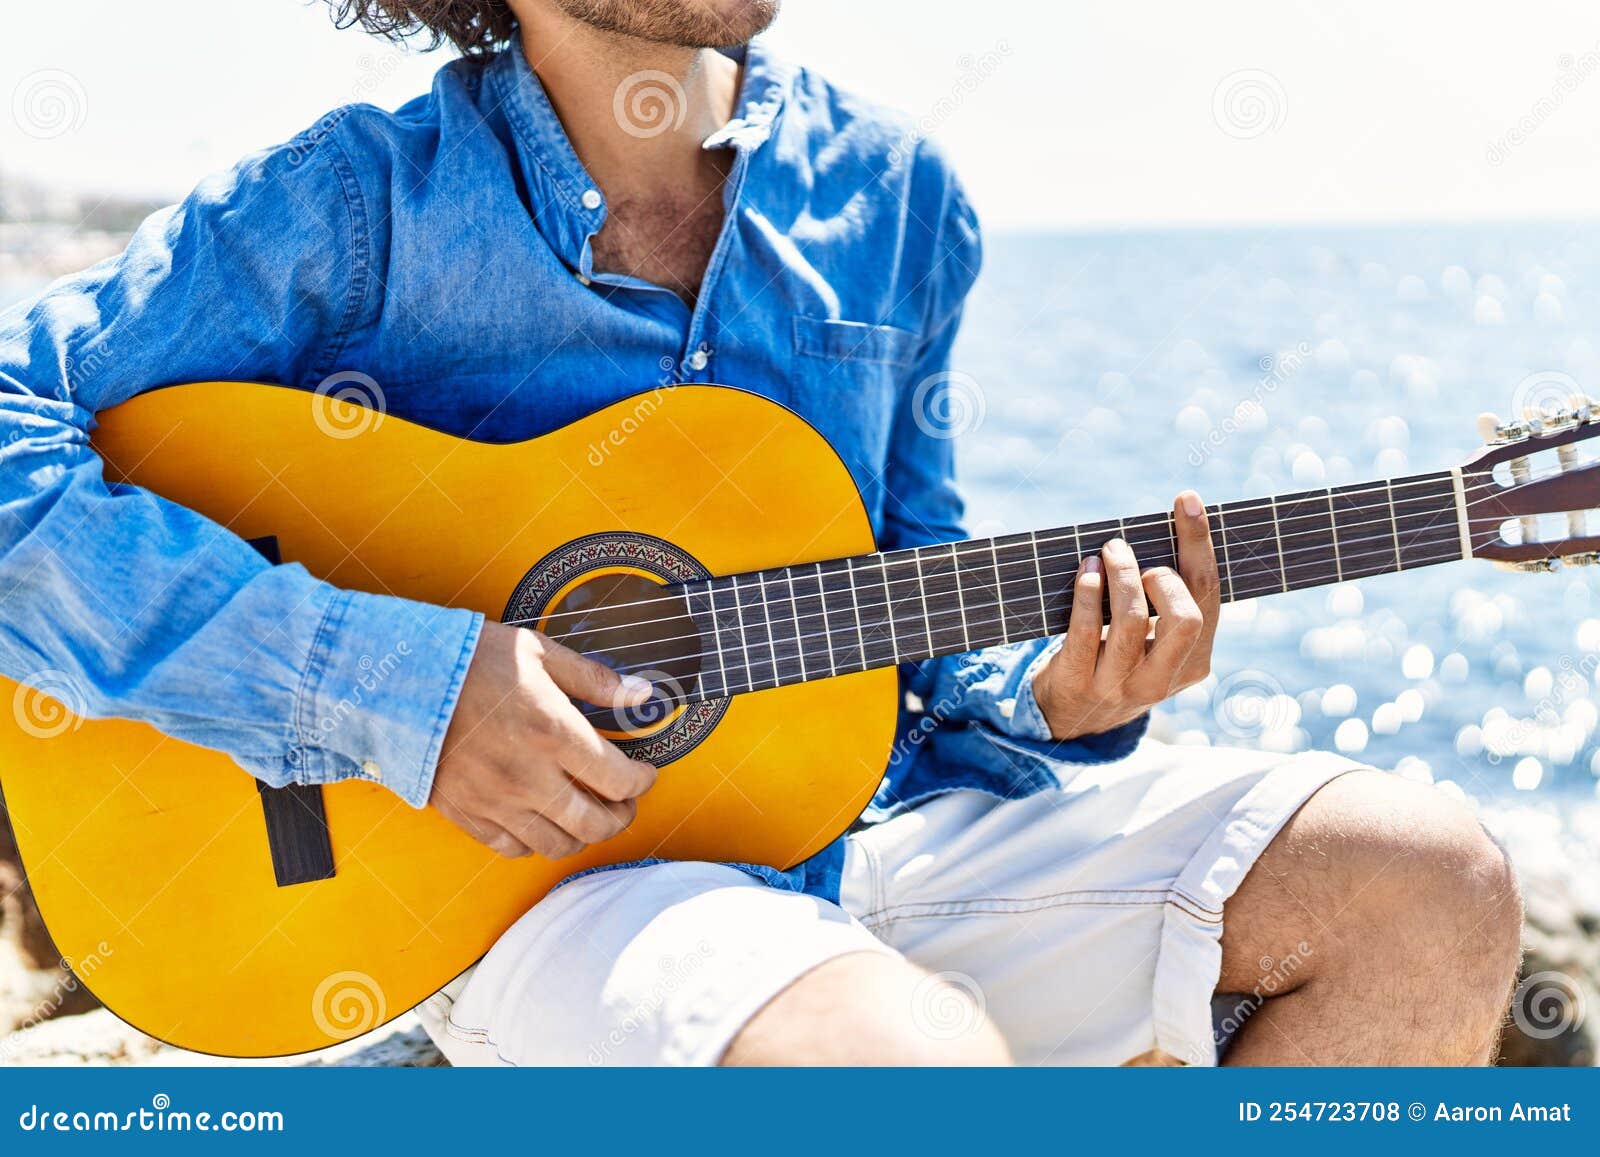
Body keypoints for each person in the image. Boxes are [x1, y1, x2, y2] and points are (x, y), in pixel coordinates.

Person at [0, 0, 1521, 1066]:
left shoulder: (903, 201)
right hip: (536, 883)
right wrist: (400, 689)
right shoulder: (357, 208)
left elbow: (910, 595)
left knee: (1431, 884)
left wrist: (1059, 695)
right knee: (894, 1057)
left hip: (871, 829)